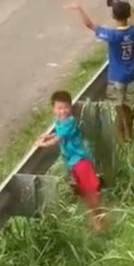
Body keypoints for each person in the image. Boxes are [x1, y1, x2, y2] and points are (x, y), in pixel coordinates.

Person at [64, 0, 134, 141]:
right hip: (131, 76)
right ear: (128, 14)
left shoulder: (112, 35)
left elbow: (90, 25)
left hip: (116, 77)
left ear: (113, 16)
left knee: (118, 110)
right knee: (127, 108)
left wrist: (79, 9)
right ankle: (130, 134)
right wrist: (129, 6)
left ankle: (122, 139)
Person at [37, 90, 103, 229]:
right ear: (53, 109)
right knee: (84, 192)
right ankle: (95, 217)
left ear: (70, 107)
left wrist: (41, 143)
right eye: (59, 108)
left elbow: (57, 140)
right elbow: (57, 133)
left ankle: (99, 219)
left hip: (80, 162)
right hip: (73, 162)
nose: (63, 111)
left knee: (90, 191)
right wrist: (47, 136)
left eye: (66, 107)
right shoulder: (60, 121)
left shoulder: (69, 122)